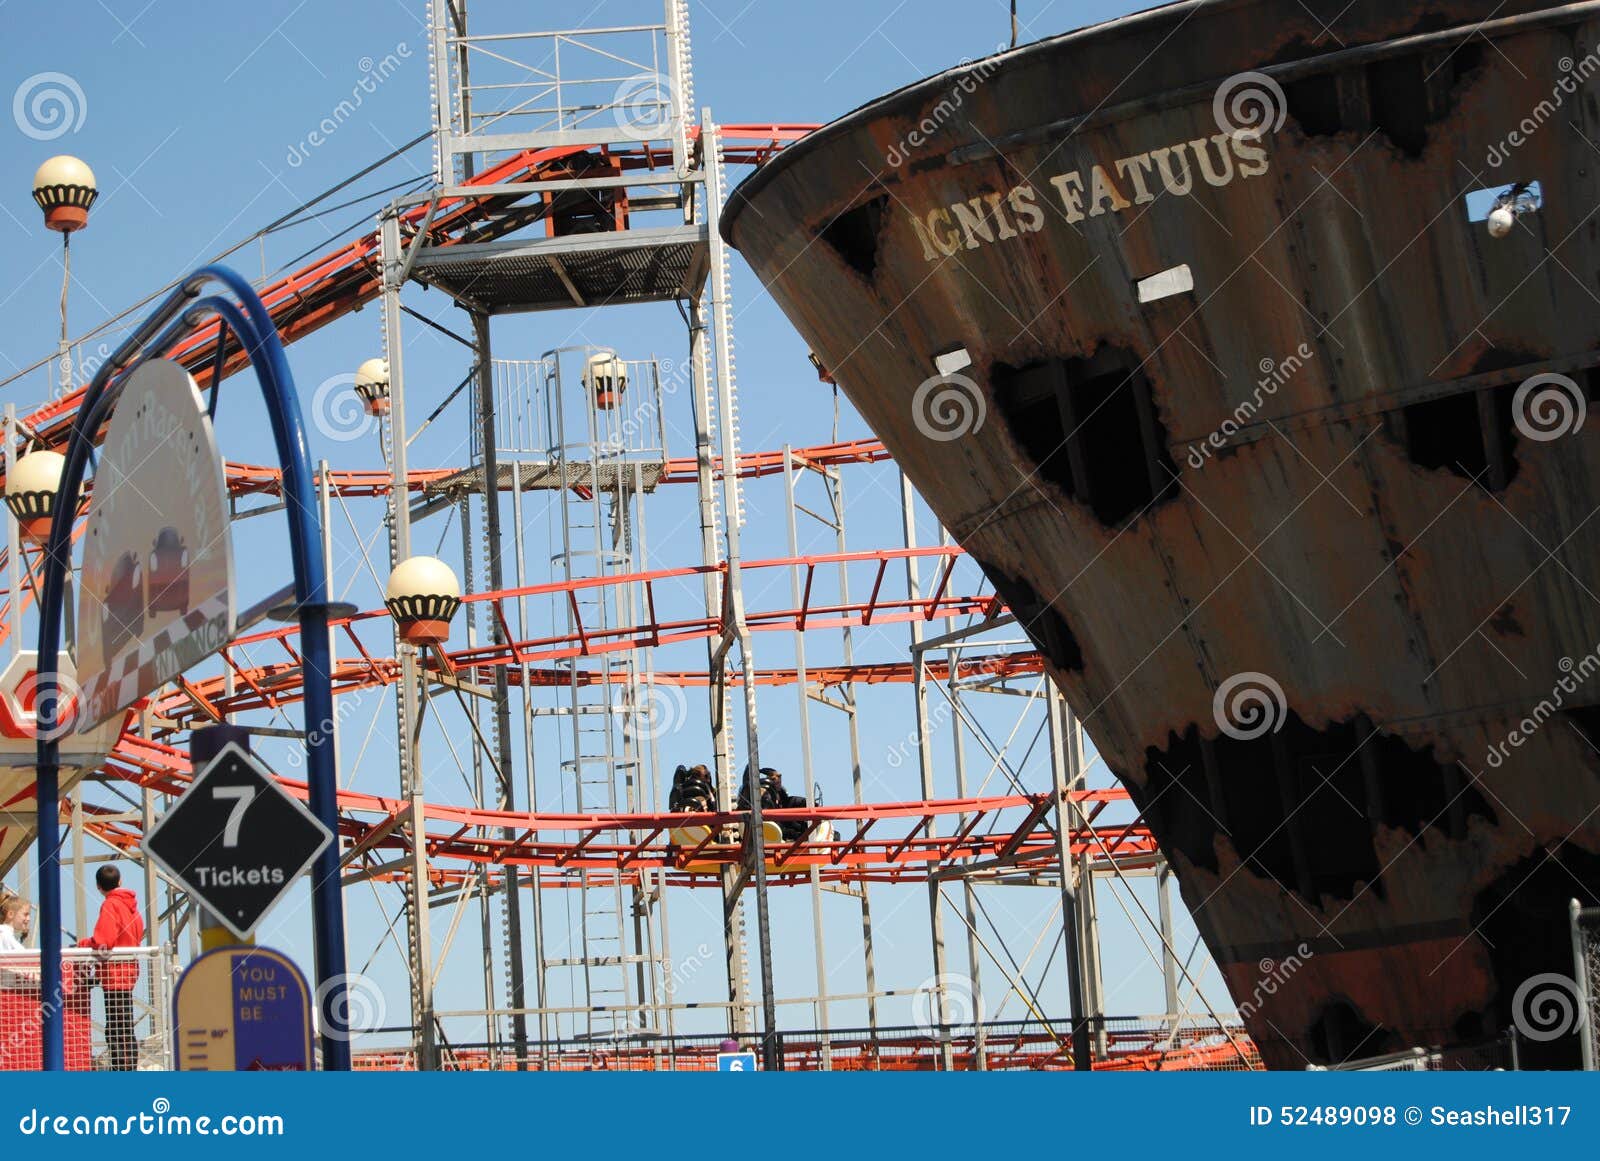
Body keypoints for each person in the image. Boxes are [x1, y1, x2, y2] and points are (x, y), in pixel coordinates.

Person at [78, 865, 143, 1071]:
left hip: (115, 973)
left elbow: (104, 940)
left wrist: (84, 943)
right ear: (120, 881)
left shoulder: (111, 905)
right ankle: (128, 1068)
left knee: (115, 1027)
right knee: (124, 1026)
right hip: (129, 970)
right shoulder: (131, 906)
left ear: (98, 886)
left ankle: (121, 1071)